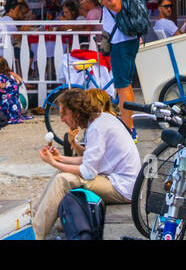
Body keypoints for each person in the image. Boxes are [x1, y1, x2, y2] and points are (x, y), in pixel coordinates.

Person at [32, 88, 140, 239]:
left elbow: (88, 172)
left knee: (62, 180)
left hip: (123, 187)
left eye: (64, 114)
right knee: (62, 174)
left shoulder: (96, 128)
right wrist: (60, 158)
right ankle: (34, 218)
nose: (62, 119)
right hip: (121, 181)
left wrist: (54, 163)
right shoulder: (101, 120)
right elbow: (89, 160)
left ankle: (34, 234)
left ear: (76, 113)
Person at [92, 0, 139, 136]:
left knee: (121, 85)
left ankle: (128, 129)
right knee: (125, 85)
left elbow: (116, 5)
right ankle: (130, 124)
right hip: (129, 37)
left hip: (121, 40)